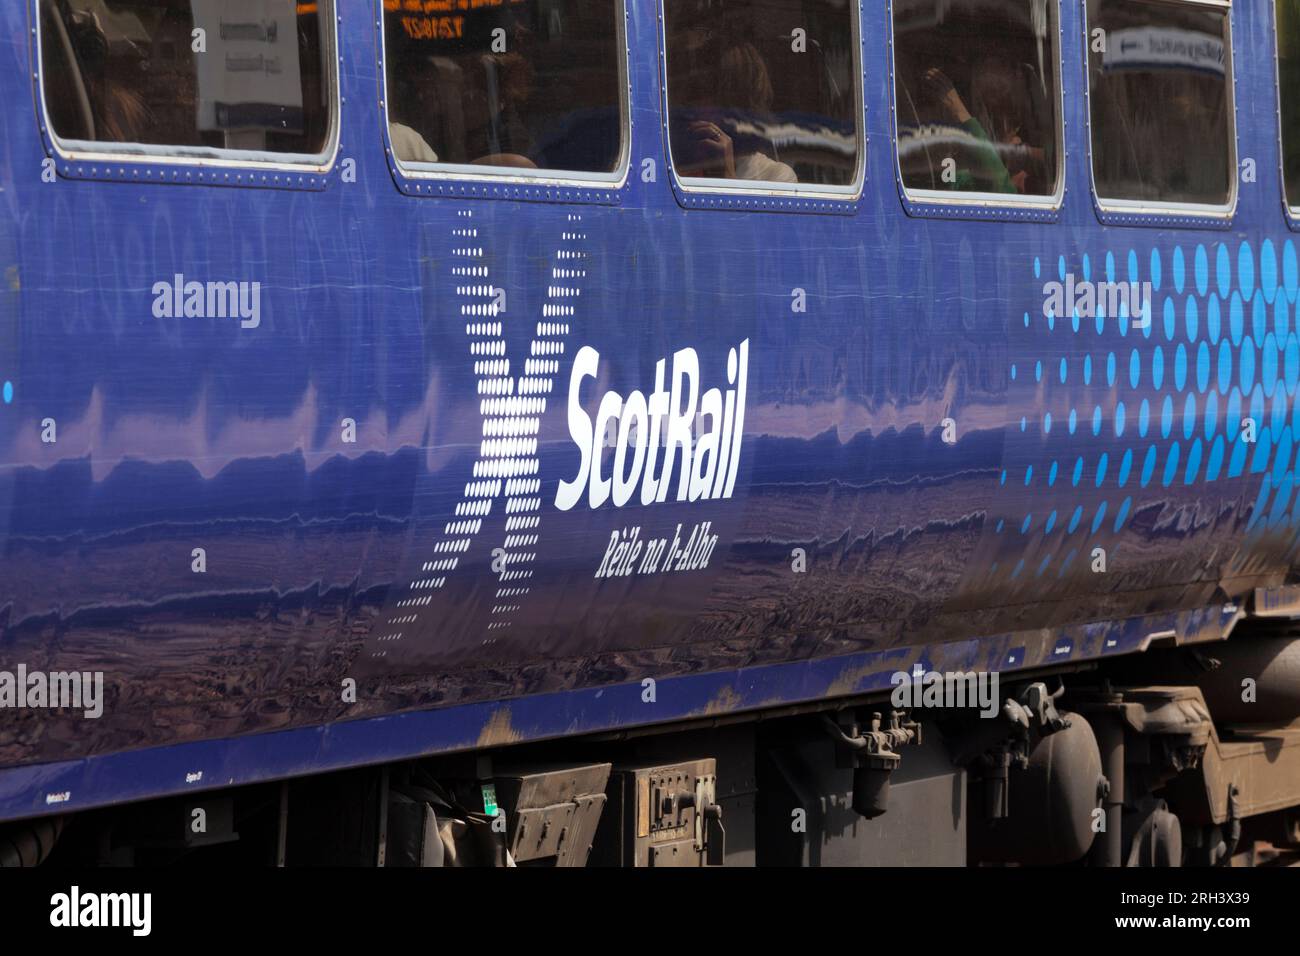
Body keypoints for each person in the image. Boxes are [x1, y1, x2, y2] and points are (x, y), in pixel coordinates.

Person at [673, 39, 797, 183]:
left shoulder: (774, 176)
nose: (693, 108)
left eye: (703, 93)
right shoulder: (677, 164)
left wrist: (727, 175)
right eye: (692, 96)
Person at [921, 61, 1044, 195]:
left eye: (999, 111)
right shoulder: (959, 162)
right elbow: (950, 183)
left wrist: (958, 109)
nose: (990, 121)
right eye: (984, 110)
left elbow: (1000, 192)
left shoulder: (1024, 176)